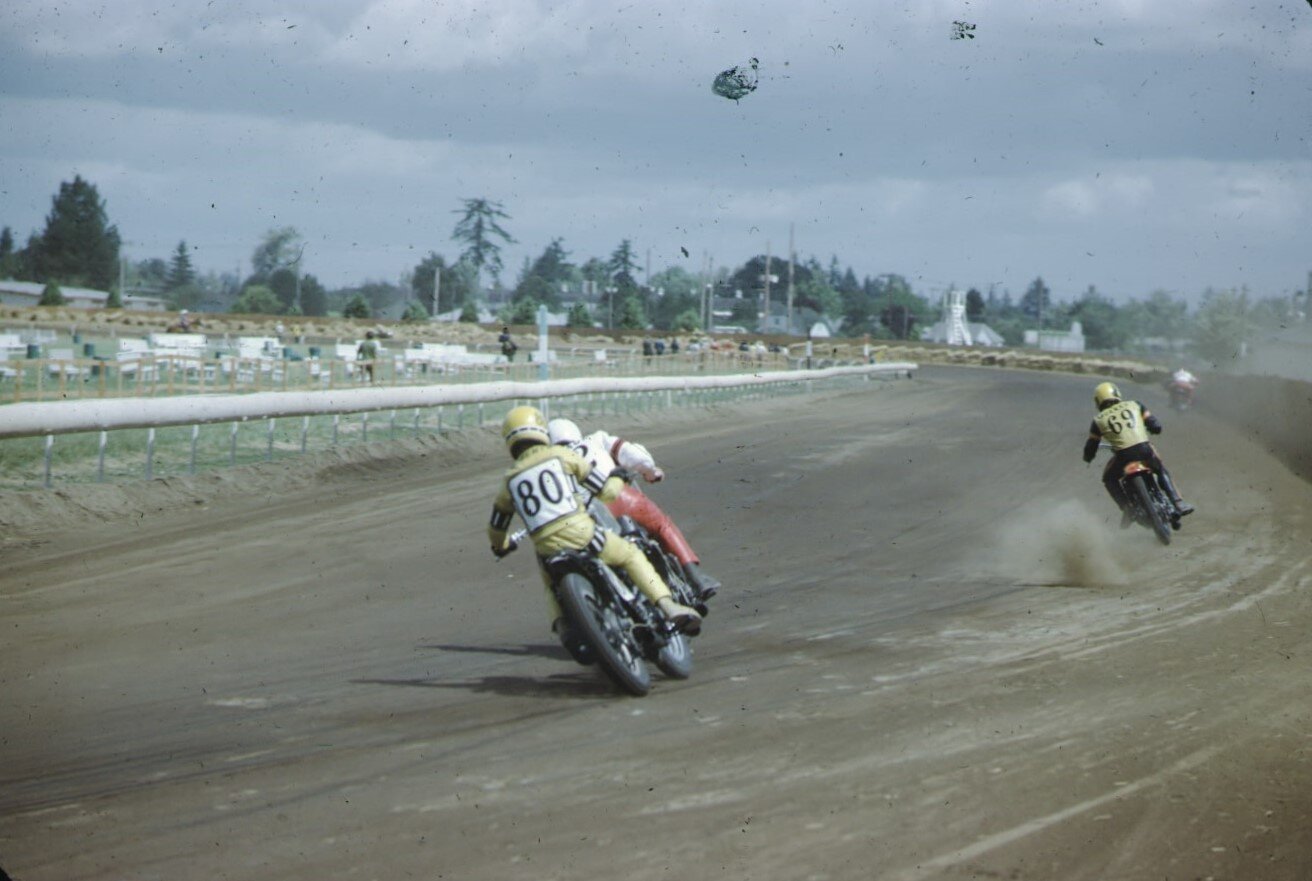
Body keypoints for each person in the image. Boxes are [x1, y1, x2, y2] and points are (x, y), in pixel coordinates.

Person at [489, 407, 702, 653]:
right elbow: (605, 492)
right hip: (584, 533)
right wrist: (616, 477)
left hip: (546, 549)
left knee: (550, 585)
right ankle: (668, 606)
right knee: (630, 555)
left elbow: (495, 529)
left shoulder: (509, 480)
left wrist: (502, 545)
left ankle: (562, 627)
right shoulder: (560, 456)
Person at [547, 417, 721, 600]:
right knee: (661, 525)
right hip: (618, 497)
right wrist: (651, 472)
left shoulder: (548, 465)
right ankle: (696, 577)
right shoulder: (595, 439)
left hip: (581, 519)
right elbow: (635, 456)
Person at [1082, 381, 1194, 526]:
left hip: (1123, 456)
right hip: (1145, 451)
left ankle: (1128, 509)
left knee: (1108, 479)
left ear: (1098, 401)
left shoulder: (1098, 420)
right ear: (1117, 394)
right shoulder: (1135, 405)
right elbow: (1155, 425)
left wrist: (1088, 458)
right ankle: (1177, 502)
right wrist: (1154, 429)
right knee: (1160, 469)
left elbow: (1091, 446)